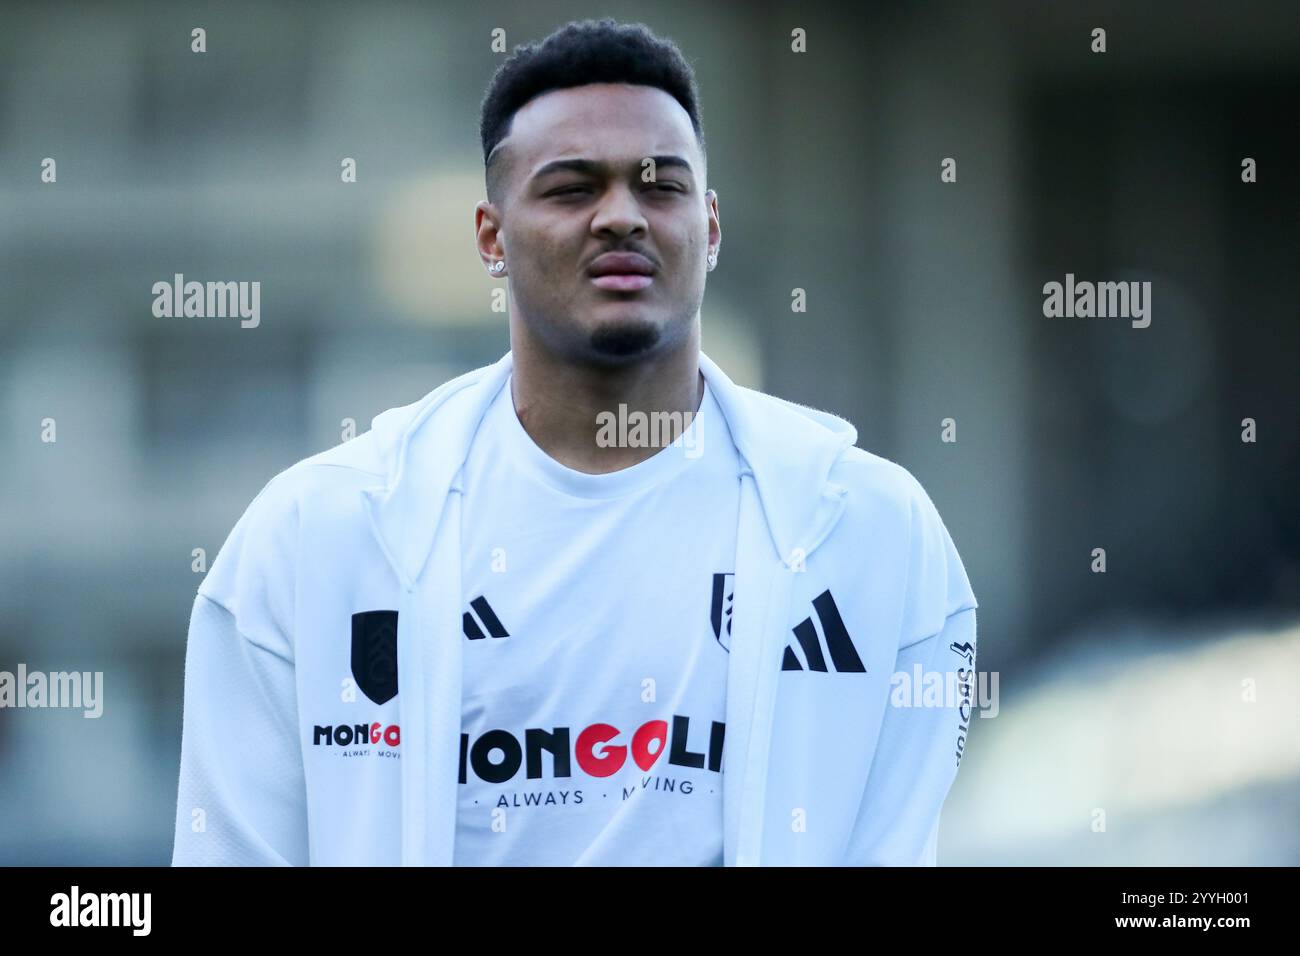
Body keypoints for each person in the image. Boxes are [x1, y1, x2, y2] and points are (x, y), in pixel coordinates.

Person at [171, 17, 978, 867]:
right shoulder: (314, 538)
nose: (621, 216)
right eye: (571, 188)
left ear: (709, 226)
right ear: (491, 236)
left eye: (660, 186)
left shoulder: (873, 534)